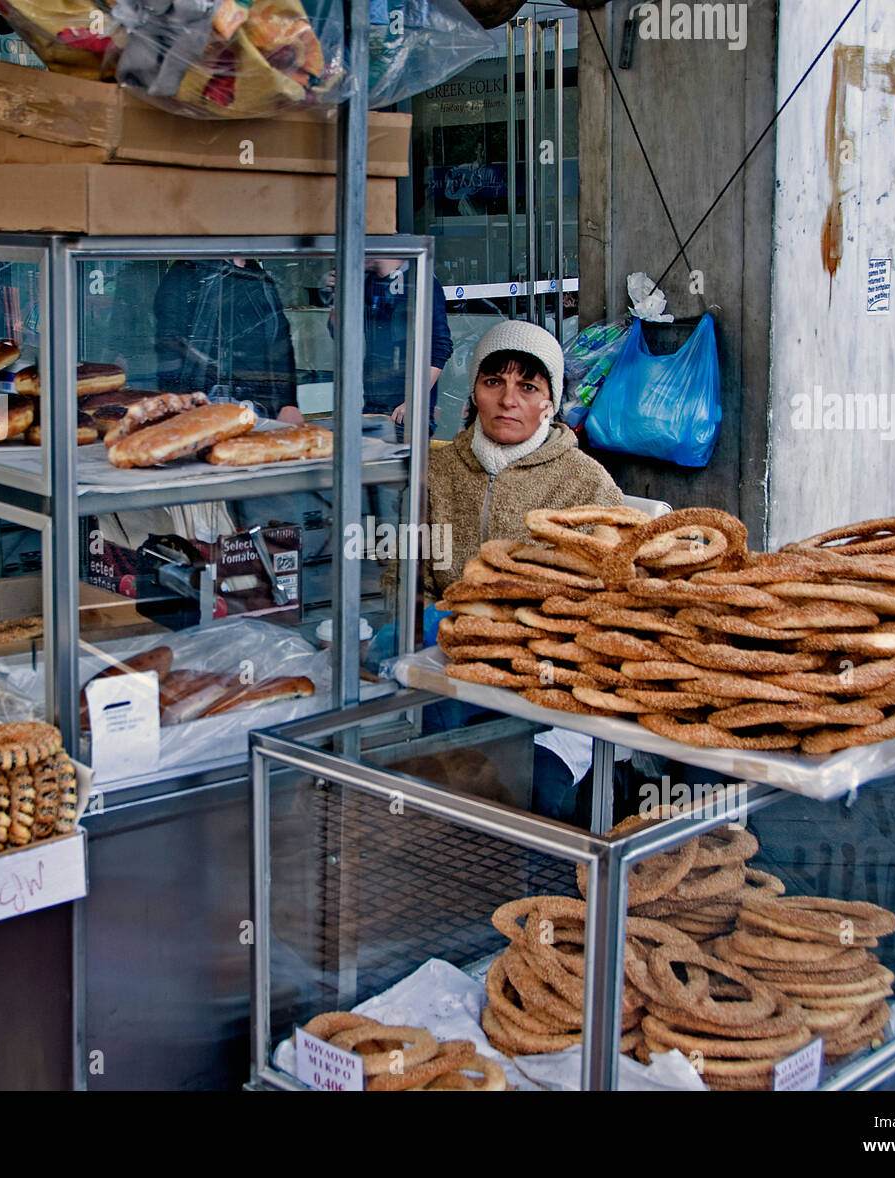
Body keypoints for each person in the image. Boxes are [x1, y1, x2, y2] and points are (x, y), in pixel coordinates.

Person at [423, 320, 627, 823]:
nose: (508, 400)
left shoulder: (585, 483)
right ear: (474, 391)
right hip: (453, 673)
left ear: (550, 402)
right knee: (431, 794)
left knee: (528, 795)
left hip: (554, 693)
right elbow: (404, 577)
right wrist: (423, 620)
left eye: (528, 386)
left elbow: (613, 596)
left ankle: (545, 897)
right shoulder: (439, 473)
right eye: (494, 382)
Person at [154, 257, 302, 422]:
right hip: (203, 401)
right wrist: (178, 401)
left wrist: (288, 403)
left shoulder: (259, 276)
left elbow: (280, 343)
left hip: (258, 403)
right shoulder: (187, 271)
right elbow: (169, 341)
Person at [329, 257, 453, 434]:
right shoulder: (367, 282)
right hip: (371, 403)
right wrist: (338, 297)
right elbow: (342, 337)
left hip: (403, 410)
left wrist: (414, 400)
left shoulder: (419, 281)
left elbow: (440, 346)